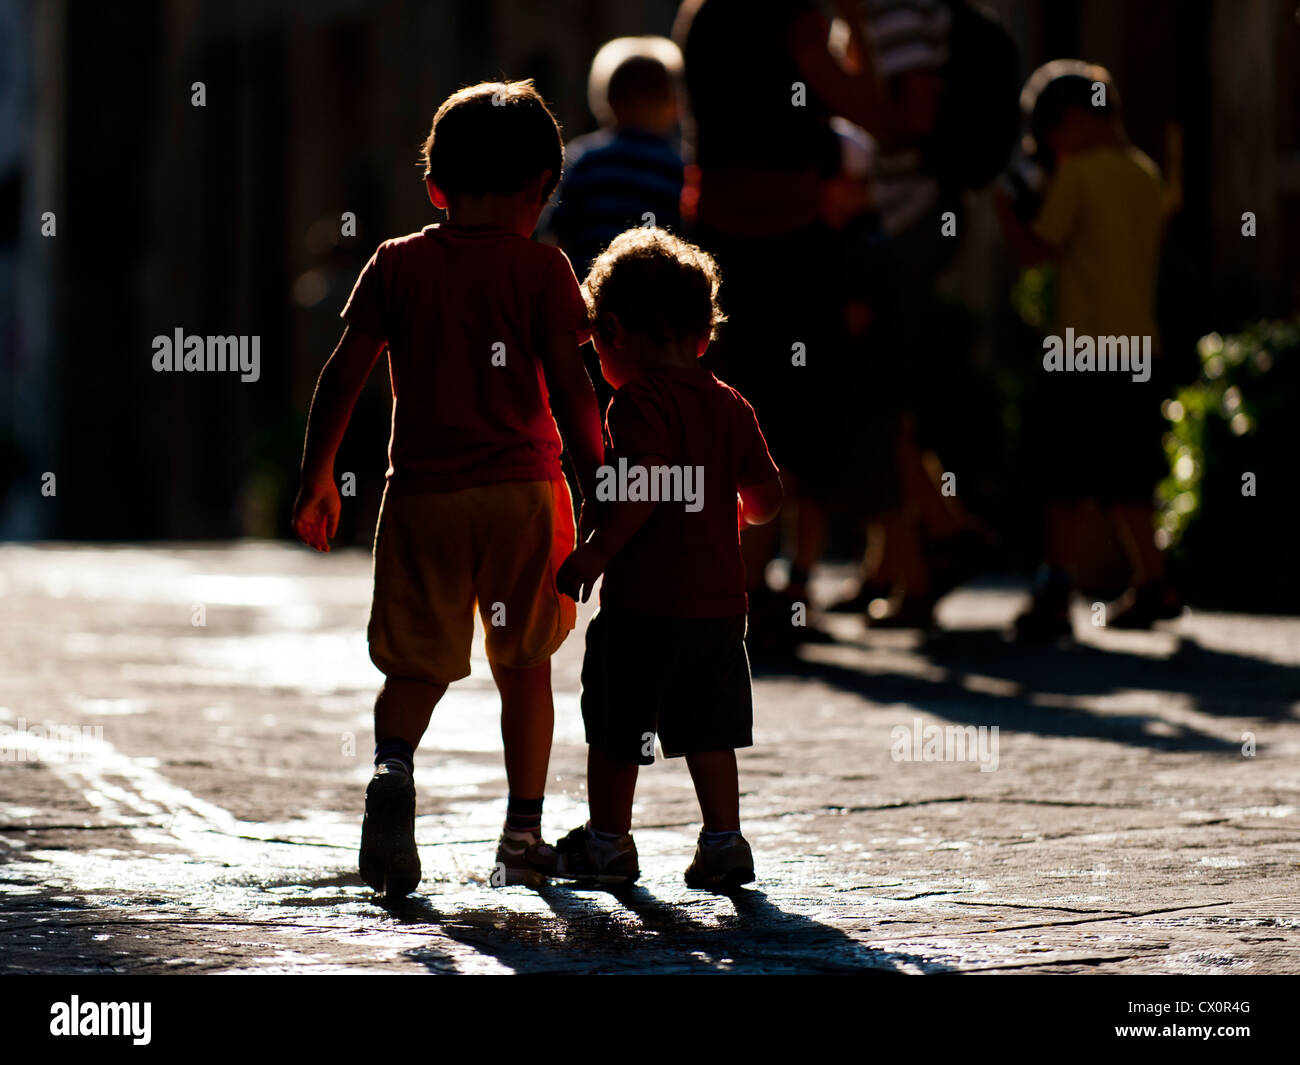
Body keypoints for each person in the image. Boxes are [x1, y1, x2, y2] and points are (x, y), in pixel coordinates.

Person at [291, 81, 604, 896]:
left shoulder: (395, 264)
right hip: (524, 494)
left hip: (423, 497)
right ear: (540, 190)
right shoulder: (544, 270)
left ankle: (394, 769)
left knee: (415, 666)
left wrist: (318, 474)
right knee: (526, 664)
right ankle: (524, 830)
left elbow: (342, 377)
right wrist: (600, 480)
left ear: (435, 188)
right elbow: (573, 392)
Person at [539, 227, 783, 890]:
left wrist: (596, 551)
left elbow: (642, 485)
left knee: (619, 725)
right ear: (703, 337)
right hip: (716, 606)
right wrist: (730, 509)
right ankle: (724, 840)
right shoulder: (730, 403)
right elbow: (766, 497)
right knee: (710, 728)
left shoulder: (637, 401)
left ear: (612, 330)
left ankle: (609, 841)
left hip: (643, 603)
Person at [995, 61, 1180, 637]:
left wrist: (1006, 208)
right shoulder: (1146, 174)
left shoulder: (1078, 176)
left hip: (1078, 348)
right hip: (1138, 347)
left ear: (1070, 124)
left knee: (1061, 476)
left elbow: (1038, 251)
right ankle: (1154, 578)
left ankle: (1055, 588)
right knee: (1129, 473)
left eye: (1049, 135)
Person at [539, 35, 686, 411]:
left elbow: (555, 234)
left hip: (592, 309)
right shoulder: (679, 166)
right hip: (662, 314)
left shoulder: (583, 160)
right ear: (674, 106)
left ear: (606, 101)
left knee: (592, 395)